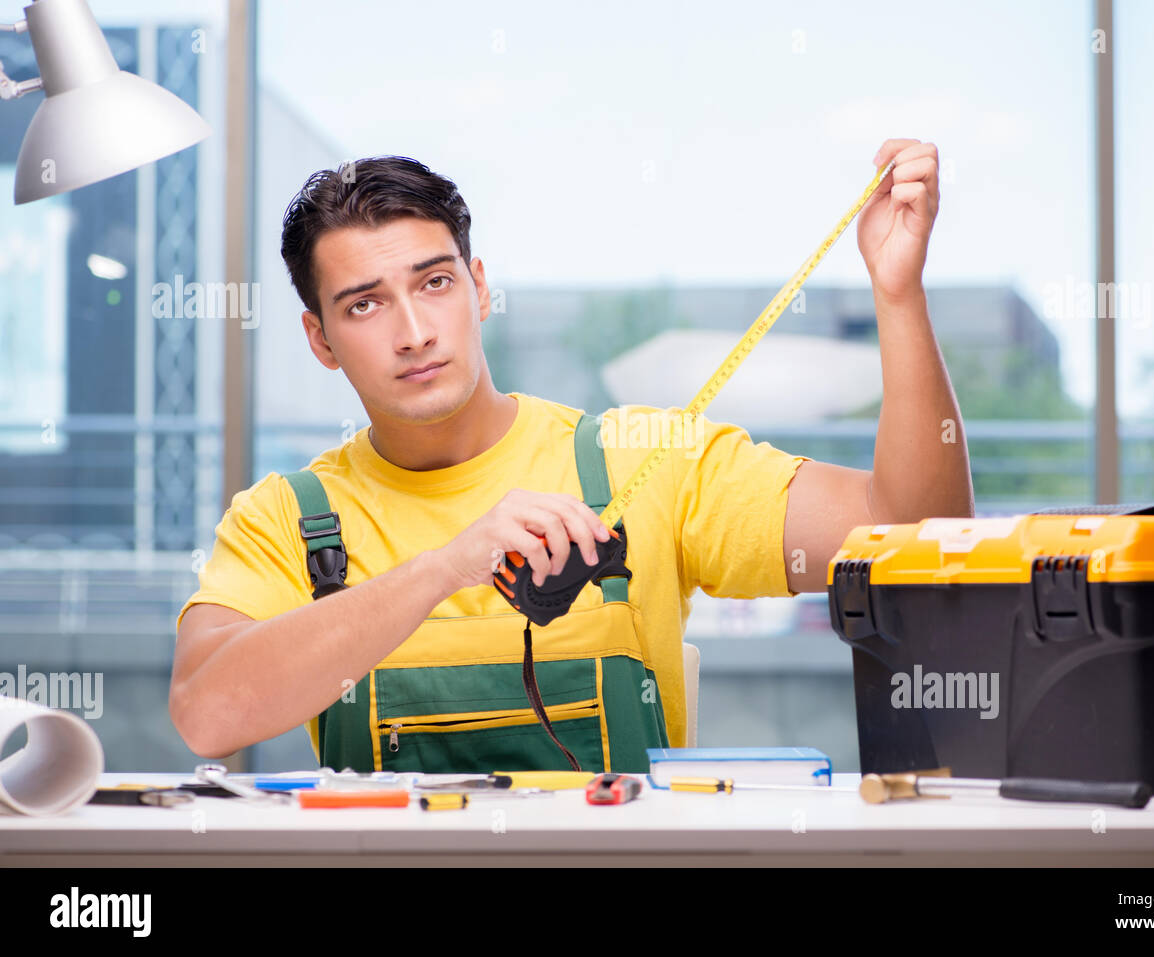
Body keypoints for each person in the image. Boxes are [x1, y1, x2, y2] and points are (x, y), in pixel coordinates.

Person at [170, 139, 973, 772]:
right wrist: (448, 565)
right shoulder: (288, 518)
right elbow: (208, 713)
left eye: (436, 283)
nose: (412, 331)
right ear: (320, 339)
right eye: (365, 303)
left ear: (480, 288)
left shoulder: (637, 461)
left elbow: (915, 535)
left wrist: (897, 294)